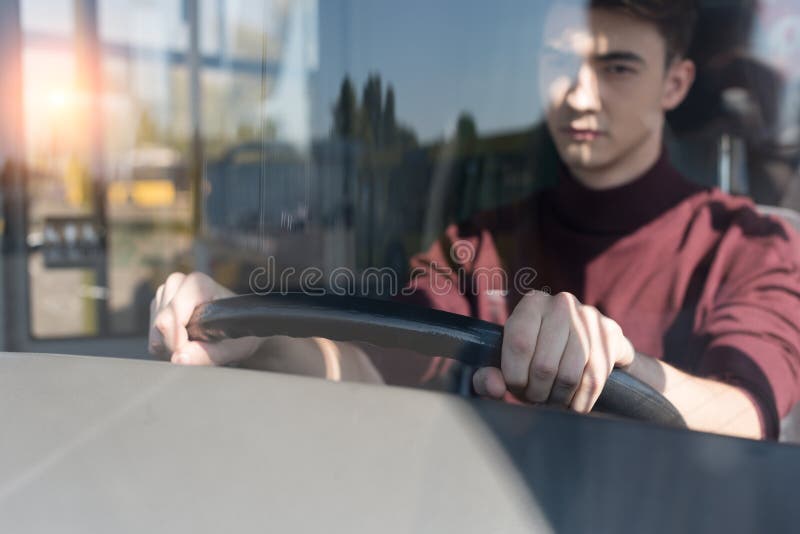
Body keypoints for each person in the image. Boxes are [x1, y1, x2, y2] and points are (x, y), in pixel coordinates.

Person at [149, 0, 800, 440]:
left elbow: (749, 413)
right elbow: (367, 366)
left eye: (617, 67)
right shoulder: (483, 244)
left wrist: (624, 373)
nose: (578, 93)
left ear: (675, 84)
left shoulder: (753, 246)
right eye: (559, 62)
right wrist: (259, 339)